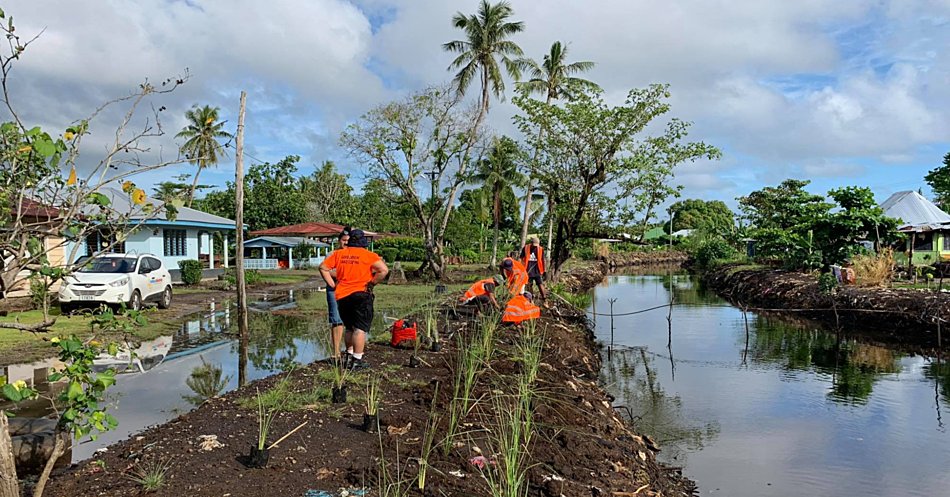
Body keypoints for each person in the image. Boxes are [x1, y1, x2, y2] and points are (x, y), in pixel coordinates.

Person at [319, 229, 389, 370]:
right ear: (363, 242)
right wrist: (372, 283)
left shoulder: (339, 254)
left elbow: (323, 268)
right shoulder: (369, 255)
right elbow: (383, 270)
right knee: (360, 328)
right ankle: (357, 359)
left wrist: (332, 285)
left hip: (343, 295)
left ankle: (349, 354)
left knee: (349, 327)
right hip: (361, 294)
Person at [324, 227, 350, 361]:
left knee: (351, 320)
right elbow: (327, 270)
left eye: (348, 240)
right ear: (339, 241)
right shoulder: (332, 254)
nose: (346, 243)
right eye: (344, 240)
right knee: (336, 320)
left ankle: (351, 351)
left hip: (350, 289)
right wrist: (343, 275)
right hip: (334, 288)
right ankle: (336, 352)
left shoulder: (353, 255)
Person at [520, 236, 547, 300]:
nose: (535, 247)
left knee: (540, 284)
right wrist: (520, 268)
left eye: (536, 245)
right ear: (531, 243)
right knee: (529, 285)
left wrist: (544, 271)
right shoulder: (526, 248)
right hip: (528, 271)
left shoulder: (540, 249)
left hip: (538, 270)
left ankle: (544, 298)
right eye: (534, 245)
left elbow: (543, 260)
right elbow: (521, 258)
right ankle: (531, 298)